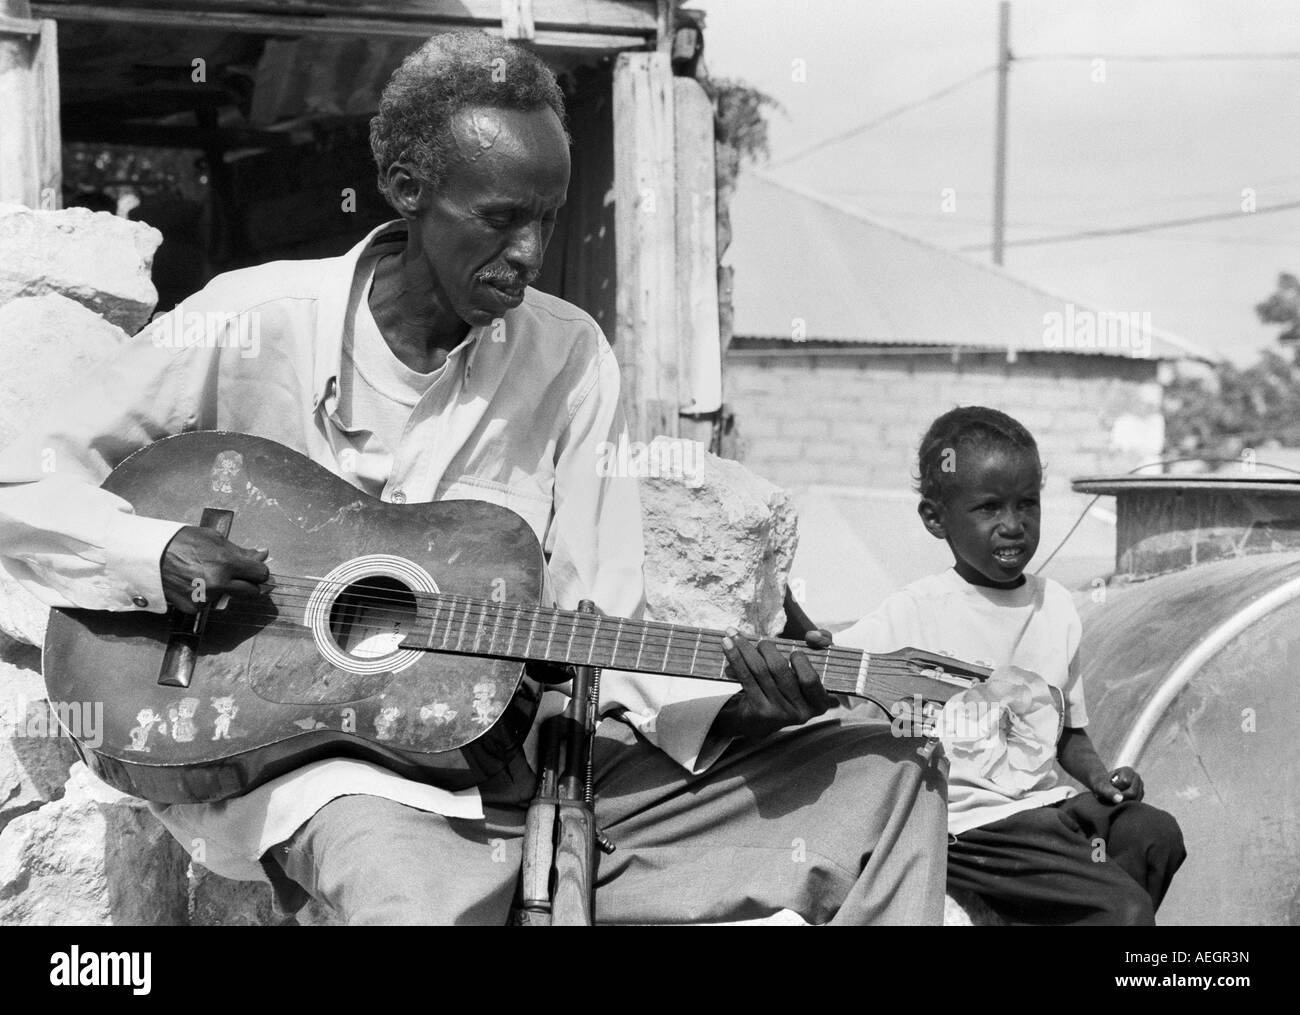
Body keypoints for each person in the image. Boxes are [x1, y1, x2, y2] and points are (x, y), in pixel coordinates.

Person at [0, 32, 946, 925]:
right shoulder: (258, 319)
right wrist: (153, 548)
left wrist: (747, 699)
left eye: (546, 219)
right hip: (335, 775)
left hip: (528, 759)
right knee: (420, 906)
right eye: (499, 219)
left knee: (887, 776)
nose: (530, 254)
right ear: (406, 188)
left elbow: (598, 626)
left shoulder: (570, 357)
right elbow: (19, 479)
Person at [837, 406, 1186, 925]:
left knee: (1155, 835)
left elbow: (1067, 732)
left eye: (1028, 504)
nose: (1013, 526)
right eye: (989, 508)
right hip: (968, 827)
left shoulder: (1057, 606)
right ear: (936, 519)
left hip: (1045, 810)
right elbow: (835, 665)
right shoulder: (915, 610)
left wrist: (1101, 779)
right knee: (1124, 908)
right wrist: (802, 636)